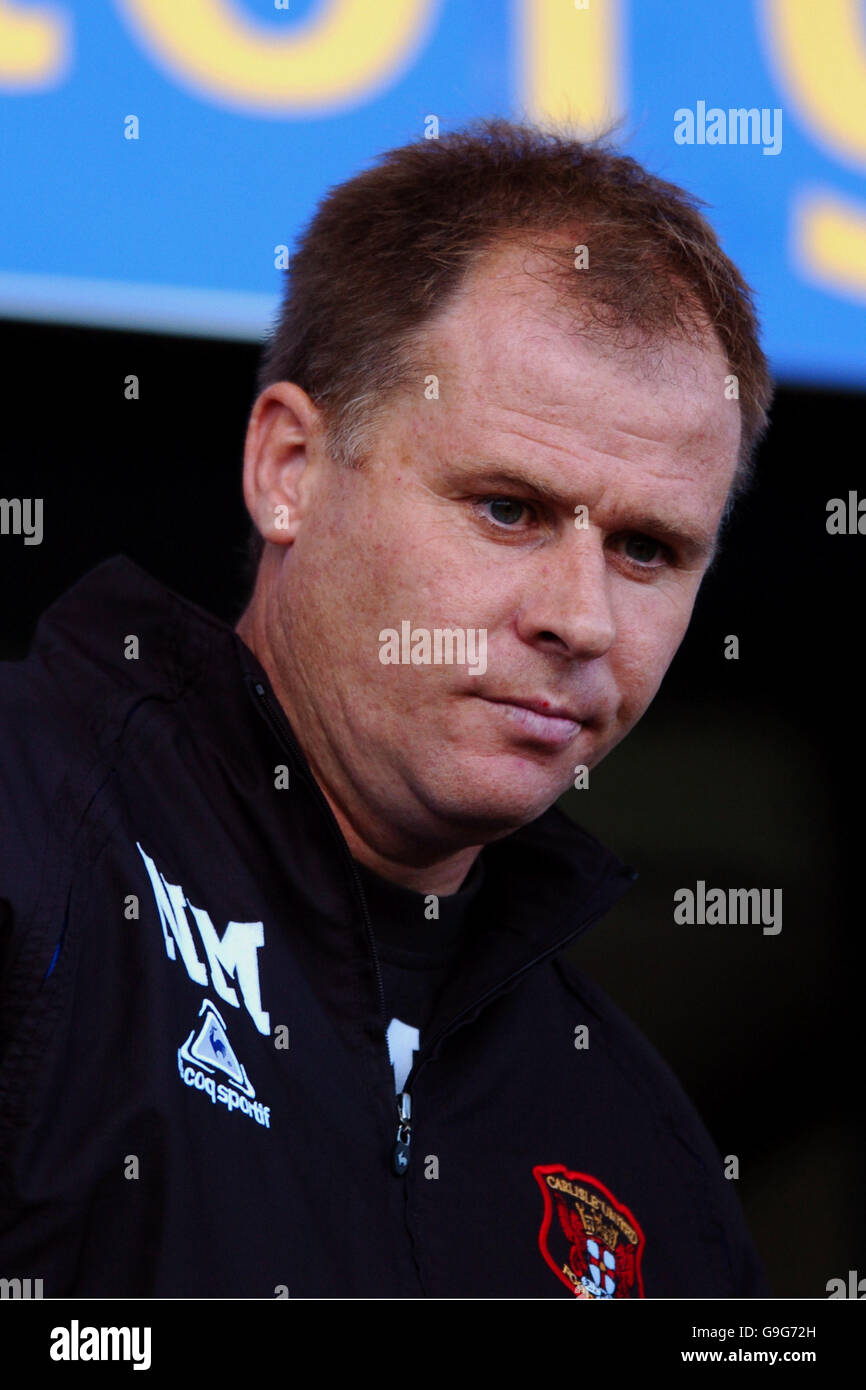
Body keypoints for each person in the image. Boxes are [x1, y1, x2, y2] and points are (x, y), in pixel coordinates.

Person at [0, 118, 773, 1298]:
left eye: (647, 547)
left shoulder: (652, 1169)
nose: (582, 618)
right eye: (508, 507)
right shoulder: (27, 836)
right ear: (290, 470)